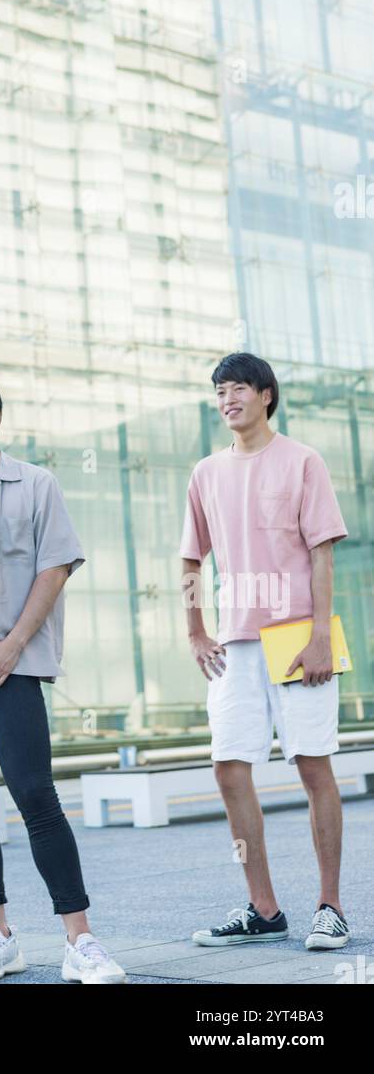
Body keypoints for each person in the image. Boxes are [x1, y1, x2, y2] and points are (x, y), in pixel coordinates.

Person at [0, 370, 126, 984]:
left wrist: (13, 646)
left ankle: (80, 939)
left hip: (9, 666)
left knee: (36, 794)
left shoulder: (35, 484)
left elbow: (56, 566)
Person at [181, 352, 351, 950]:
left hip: (296, 637)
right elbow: (191, 558)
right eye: (221, 391)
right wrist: (196, 630)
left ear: (266, 396)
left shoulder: (303, 461)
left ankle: (329, 906)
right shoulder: (206, 472)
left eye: (239, 389)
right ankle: (264, 908)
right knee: (228, 768)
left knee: (312, 765)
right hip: (234, 643)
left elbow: (324, 552)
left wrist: (322, 637)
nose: (228, 400)